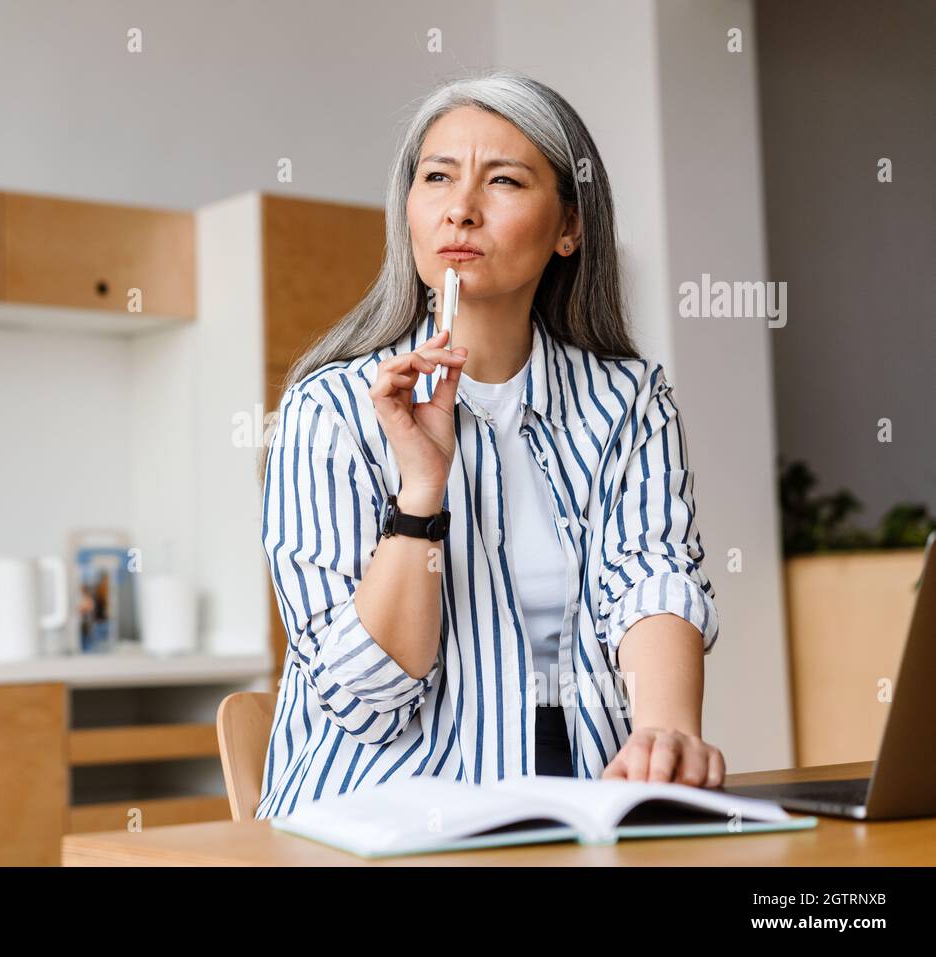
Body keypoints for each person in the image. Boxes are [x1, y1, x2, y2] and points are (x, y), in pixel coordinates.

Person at [256, 70, 724, 820]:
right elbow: (369, 697)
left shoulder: (628, 401)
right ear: (408, 209)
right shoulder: (331, 412)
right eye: (437, 177)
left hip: (580, 816)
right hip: (370, 827)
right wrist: (421, 490)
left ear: (570, 227)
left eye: (504, 181)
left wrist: (665, 733)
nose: (461, 210)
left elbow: (651, 578)